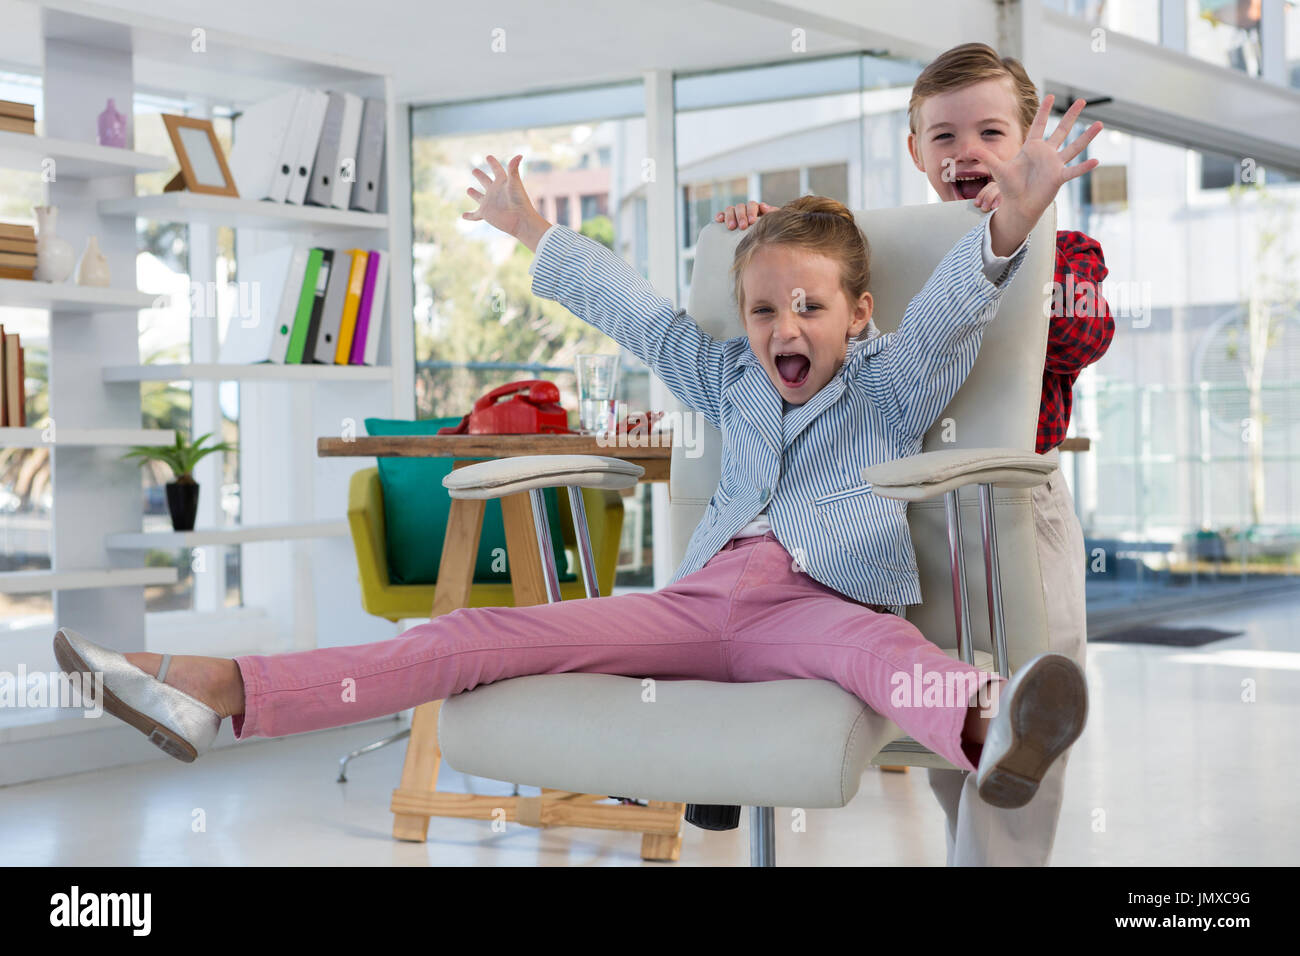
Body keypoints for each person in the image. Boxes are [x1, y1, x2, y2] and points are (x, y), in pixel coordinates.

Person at [53, 92, 1097, 817]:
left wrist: (1013, 215)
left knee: (887, 660)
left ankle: (990, 722)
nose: (786, 323)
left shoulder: (888, 381)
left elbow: (957, 309)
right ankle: (214, 685)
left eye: (811, 306)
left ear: (859, 312)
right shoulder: (727, 374)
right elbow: (638, 315)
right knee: (464, 634)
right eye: (764, 306)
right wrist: (531, 232)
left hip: (829, 607)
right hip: (701, 599)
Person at [715, 42, 1114, 865]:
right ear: (915, 154)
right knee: (950, 732)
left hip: (1012, 511)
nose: (966, 152)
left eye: (991, 132)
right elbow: (814, 317)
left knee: (1025, 719)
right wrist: (766, 239)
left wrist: (1025, 224)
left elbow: (1083, 333)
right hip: (906, 515)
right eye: (943, 137)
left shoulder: (1066, 251)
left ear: (1028, 138)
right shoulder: (883, 256)